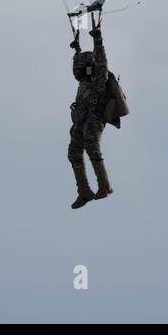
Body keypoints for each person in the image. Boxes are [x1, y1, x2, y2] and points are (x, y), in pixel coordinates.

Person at [67, 19, 113, 209]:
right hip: (80, 121)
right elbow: (80, 63)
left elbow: (101, 62)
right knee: (73, 153)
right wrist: (77, 50)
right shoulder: (84, 82)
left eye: (81, 68)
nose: (78, 72)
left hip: (94, 119)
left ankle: (104, 186)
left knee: (92, 148)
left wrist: (98, 40)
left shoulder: (98, 80)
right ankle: (84, 191)